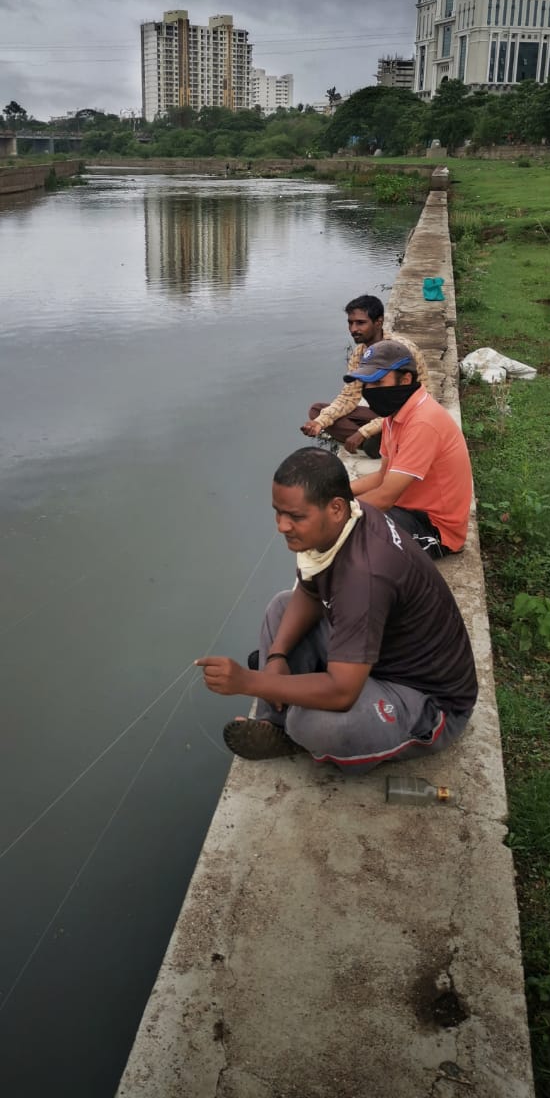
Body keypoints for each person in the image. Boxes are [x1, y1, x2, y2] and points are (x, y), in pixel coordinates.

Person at [196, 448, 477, 770]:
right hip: (378, 656)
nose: (282, 526)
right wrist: (276, 658)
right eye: (278, 513)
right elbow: (310, 590)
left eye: (296, 517)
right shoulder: (353, 518)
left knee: (311, 723)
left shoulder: (365, 575)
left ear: (335, 508)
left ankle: (295, 732)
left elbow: (343, 692)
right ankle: (273, 722)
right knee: (281, 607)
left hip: (426, 699)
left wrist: (248, 682)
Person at [345, 340, 472, 557]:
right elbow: (381, 478)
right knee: (344, 530)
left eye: (377, 383)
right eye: (367, 384)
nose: (370, 392)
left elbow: (384, 497)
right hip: (407, 510)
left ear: (405, 380)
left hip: (435, 529)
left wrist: (331, 510)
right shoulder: (394, 415)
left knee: (349, 536)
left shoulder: (423, 421)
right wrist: (335, 493)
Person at [300, 295, 429, 460]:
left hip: (409, 415)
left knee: (377, 424)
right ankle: (381, 441)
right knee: (317, 411)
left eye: (360, 323)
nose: (353, 329)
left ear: (378, 322)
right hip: (383, 412)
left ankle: (380, 441)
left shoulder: (401, 351)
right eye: (350, 323)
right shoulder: (360, 353)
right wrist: (320, 422)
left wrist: (364, 431)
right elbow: (349, 396)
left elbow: (417, 402)